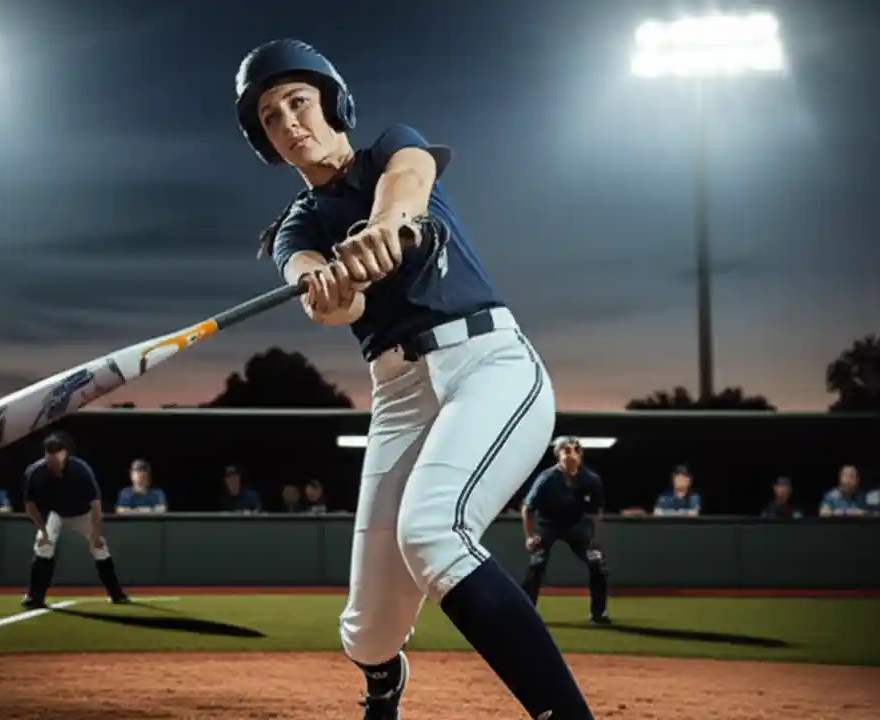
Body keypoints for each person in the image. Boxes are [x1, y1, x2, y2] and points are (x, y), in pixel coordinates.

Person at [234, 39, 594, 720]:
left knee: (432, 530)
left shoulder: (392, 148)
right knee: (367, 631)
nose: (289, 122)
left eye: (298, 102)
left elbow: (407, 187)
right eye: (271, 117)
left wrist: (385, 227)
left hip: (487, 363)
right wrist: (331, 285)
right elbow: (331, 302)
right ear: (266, 142)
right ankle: (384, 681)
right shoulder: (294, 229)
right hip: (398, 394)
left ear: (334, 103)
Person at [21, 431, 129, 608]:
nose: (53, 460)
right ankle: (35, 596)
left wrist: (96, 534)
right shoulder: (35, 472)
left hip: (83, 514)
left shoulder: (81, 470)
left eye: (56, 454)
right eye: (49, 454)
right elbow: (30, 505)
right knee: (43, 546)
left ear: (65, 454)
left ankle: (116, 594)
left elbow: (96, 504)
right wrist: (42, 531)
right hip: (56, 514)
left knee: (99, 548)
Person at [520, 436, 610, 624]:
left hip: (576, 526)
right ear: (558, 455)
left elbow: (596, 512)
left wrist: (594, 538)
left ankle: (599, 613)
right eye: (567, 451)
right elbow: (527, 508)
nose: (572, 455)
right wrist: (530, 537)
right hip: (548, 525)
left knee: (597, 563)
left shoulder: (591, 479)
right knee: (537, 565)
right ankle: (526, 612)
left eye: (576, 451)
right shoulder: (546, 478)